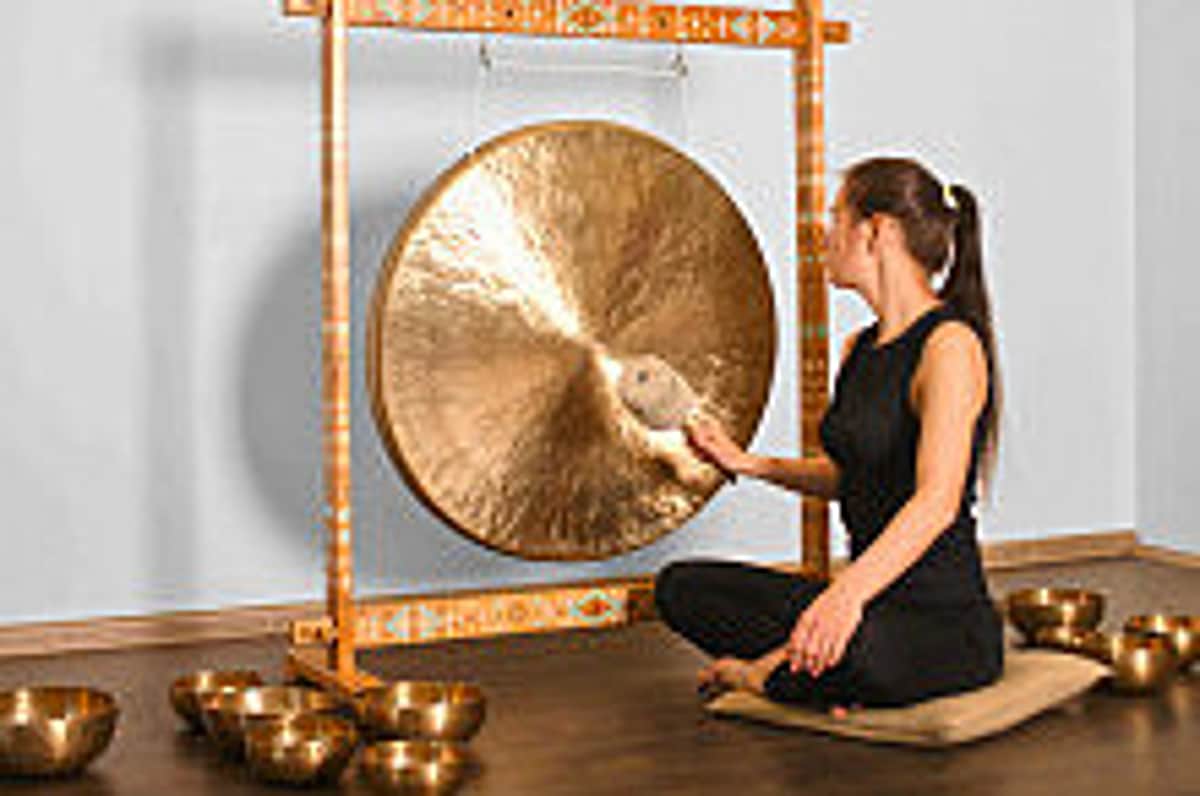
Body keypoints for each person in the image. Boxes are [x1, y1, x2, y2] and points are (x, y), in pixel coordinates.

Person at [654, 157, 1004, 713]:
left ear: (876, 231)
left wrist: (845, 596)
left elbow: (936, 503)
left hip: (939, 623)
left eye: (836, 217)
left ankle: (766, 675)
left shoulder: (950, 346)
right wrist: (750, 464)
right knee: (681, 588)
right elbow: (856, 478)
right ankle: (805, 670)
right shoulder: (857, 349)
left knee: (861, 650)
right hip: (867, 601)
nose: (825, 235)